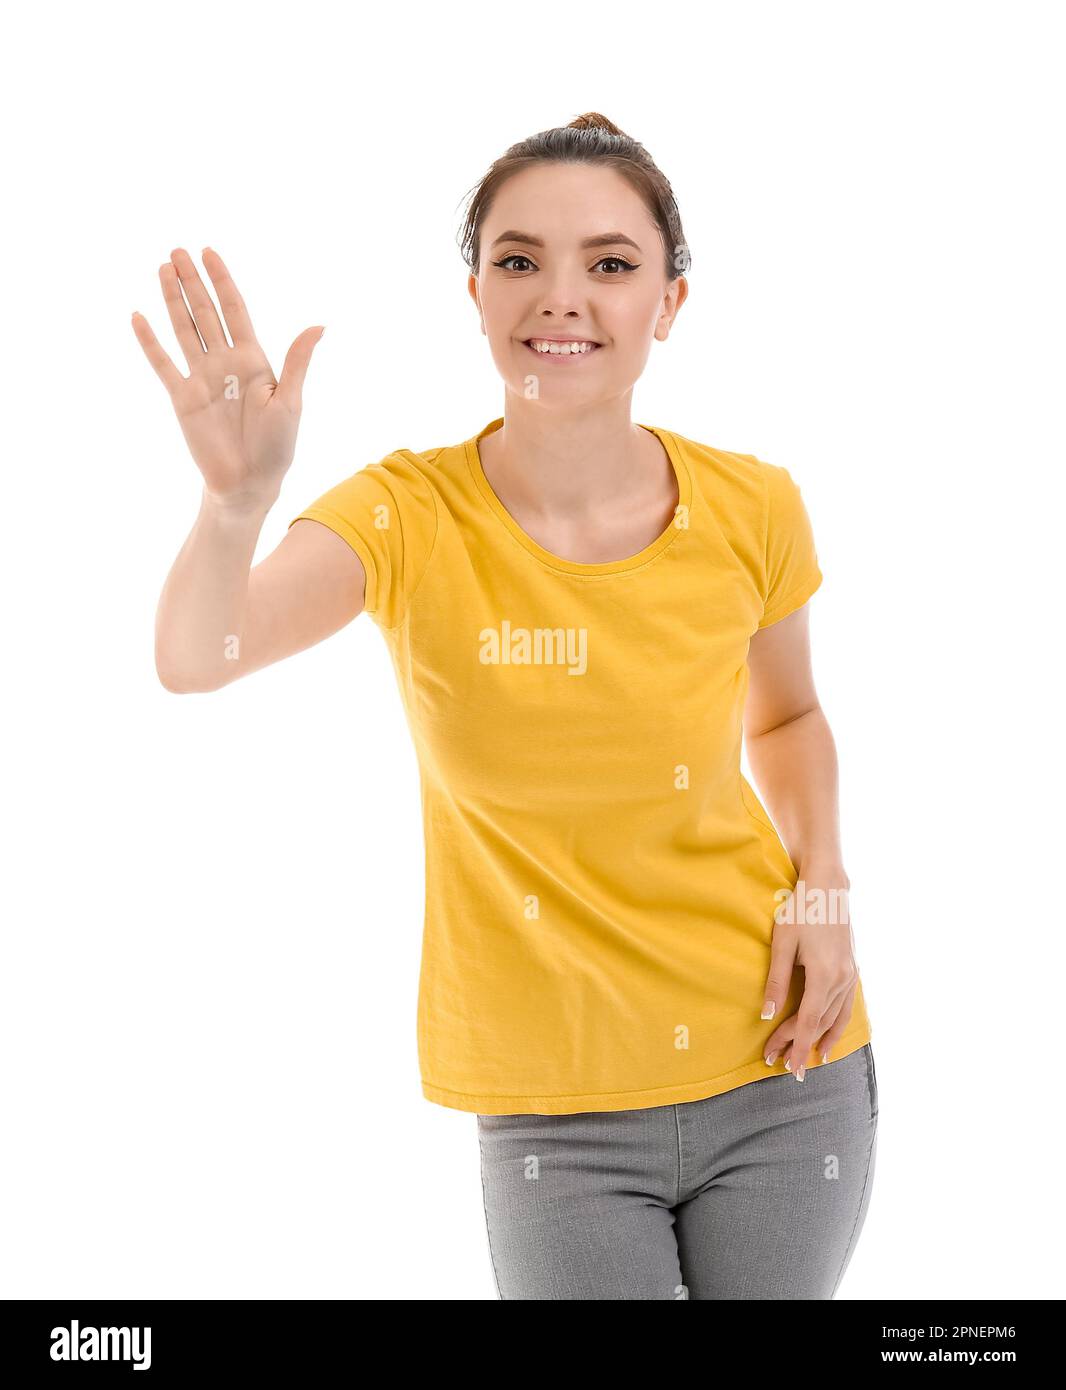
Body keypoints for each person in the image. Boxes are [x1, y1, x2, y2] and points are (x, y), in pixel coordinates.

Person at [133, 111, 877, 1301]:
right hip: (556, 1119)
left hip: (783, 1069)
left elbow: (785, 721)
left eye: (613, 264)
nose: (561, 298)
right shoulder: (405, 516)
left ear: (670, 303)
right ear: (474, 293)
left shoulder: (754, 505)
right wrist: (235, 506)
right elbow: (199, 656)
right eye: (519, 260)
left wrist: (824, 890)